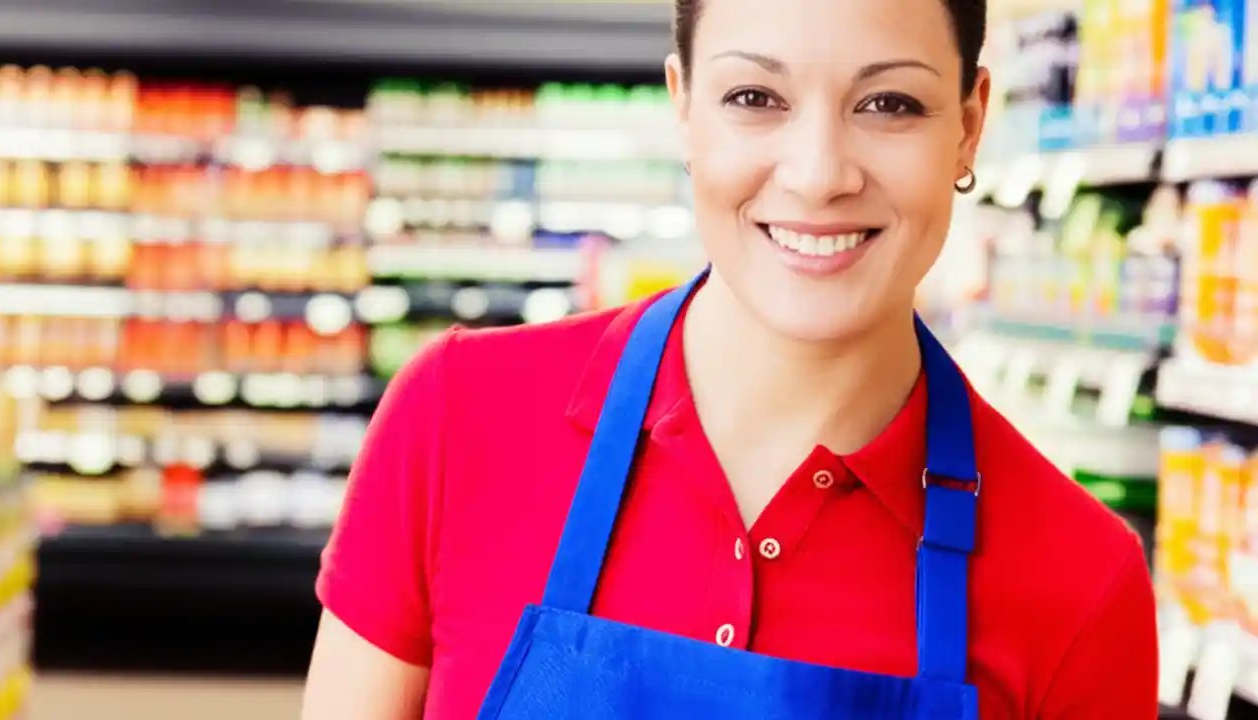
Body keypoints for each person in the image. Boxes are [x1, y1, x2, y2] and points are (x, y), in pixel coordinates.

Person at [303, 0, 1159, 717]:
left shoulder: (1081, 583)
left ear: (969, 127)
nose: (819, 173)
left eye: (889, 104)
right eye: (755, 96)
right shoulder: (459, 419)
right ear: (684, 108)